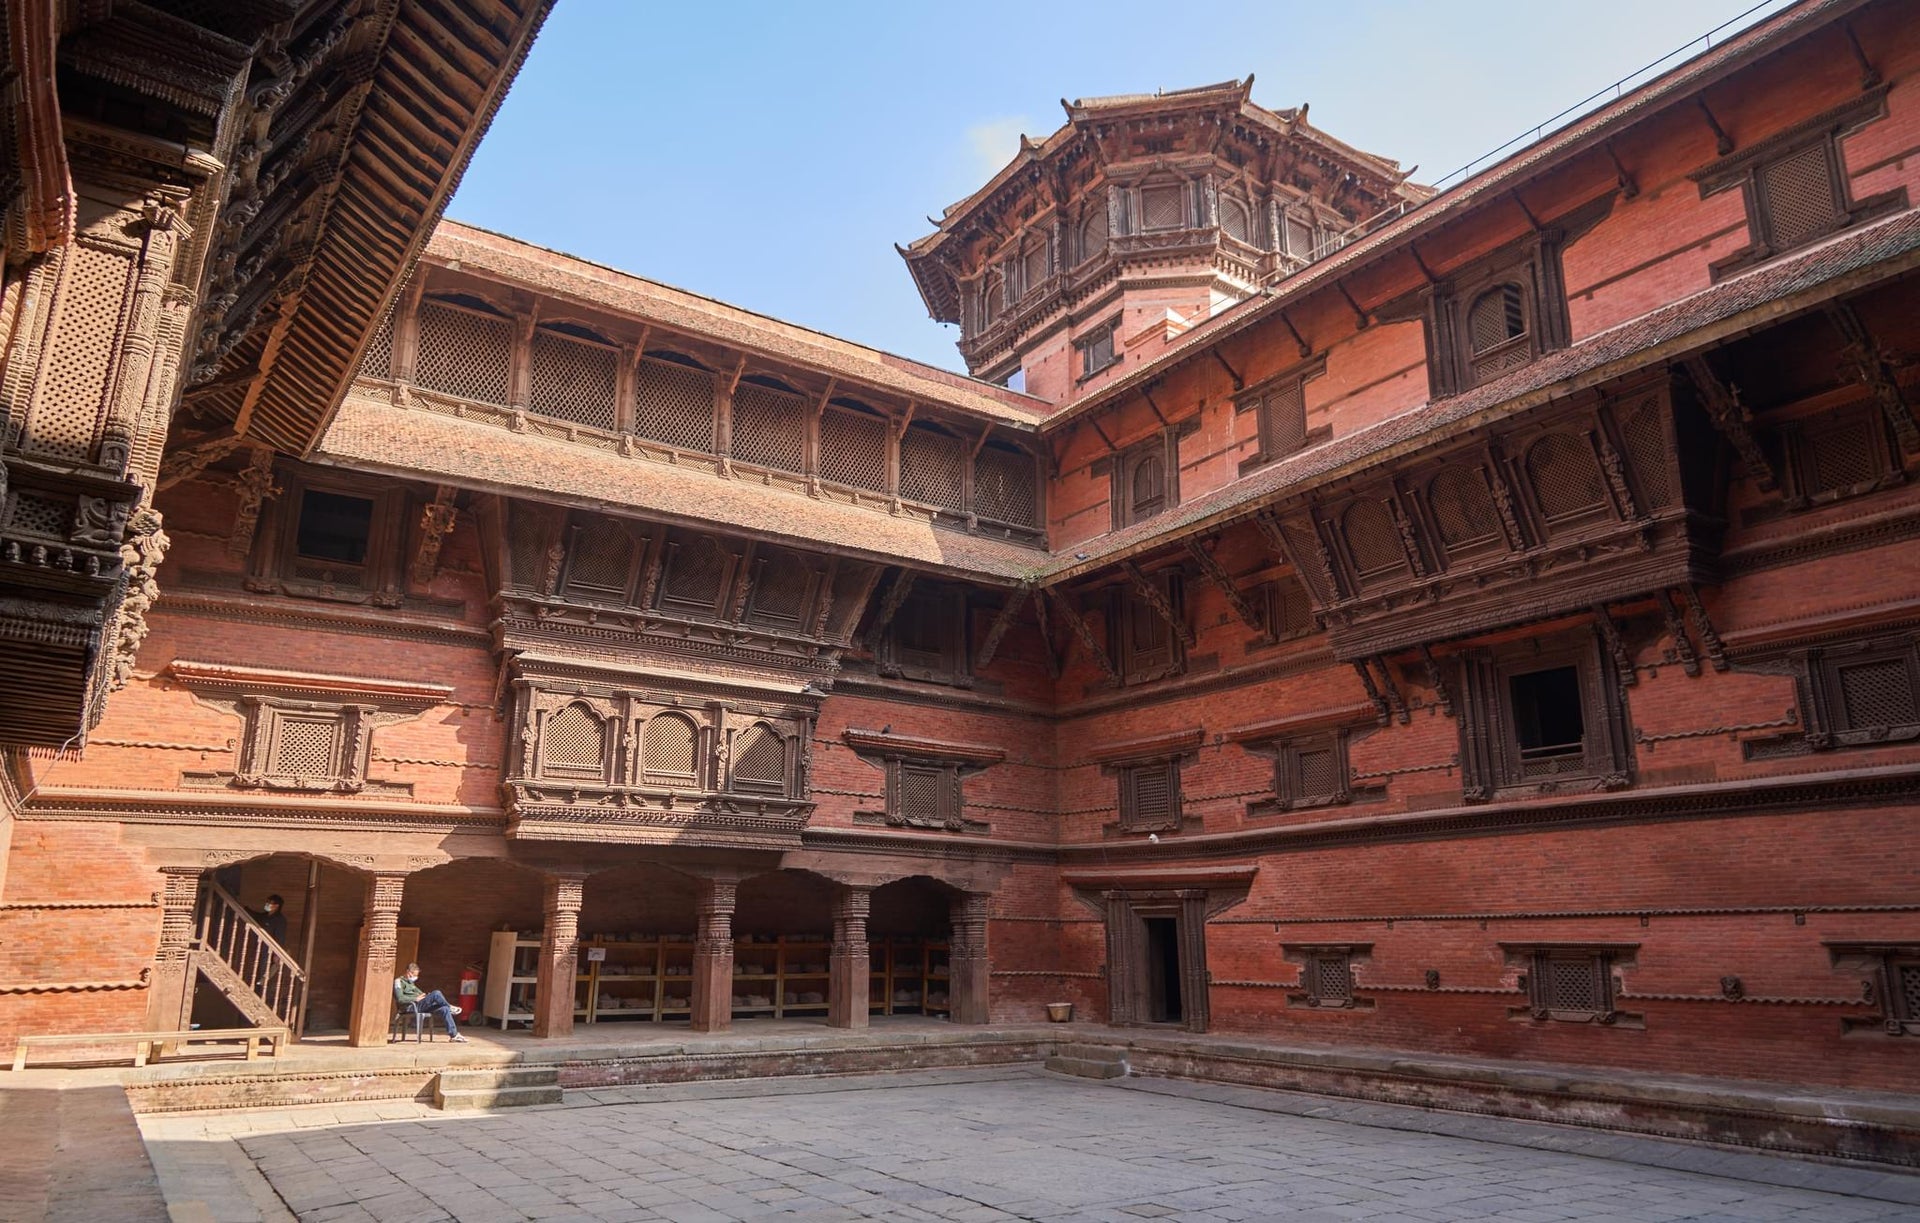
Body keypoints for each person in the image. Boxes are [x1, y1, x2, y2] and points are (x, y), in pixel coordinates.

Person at [394, 962, 468, 1041]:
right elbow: (400, 998)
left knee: (444, 1008)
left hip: (420, 1005)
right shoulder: (398, 982)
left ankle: (454, 1035)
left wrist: (427, 997)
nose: (416, 977)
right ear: (408, 973)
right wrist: (415, 999)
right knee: (436, 993)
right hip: (410, 1007)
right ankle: (450, 1007)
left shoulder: (411, 984)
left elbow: (421, 994)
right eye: (415, 975)